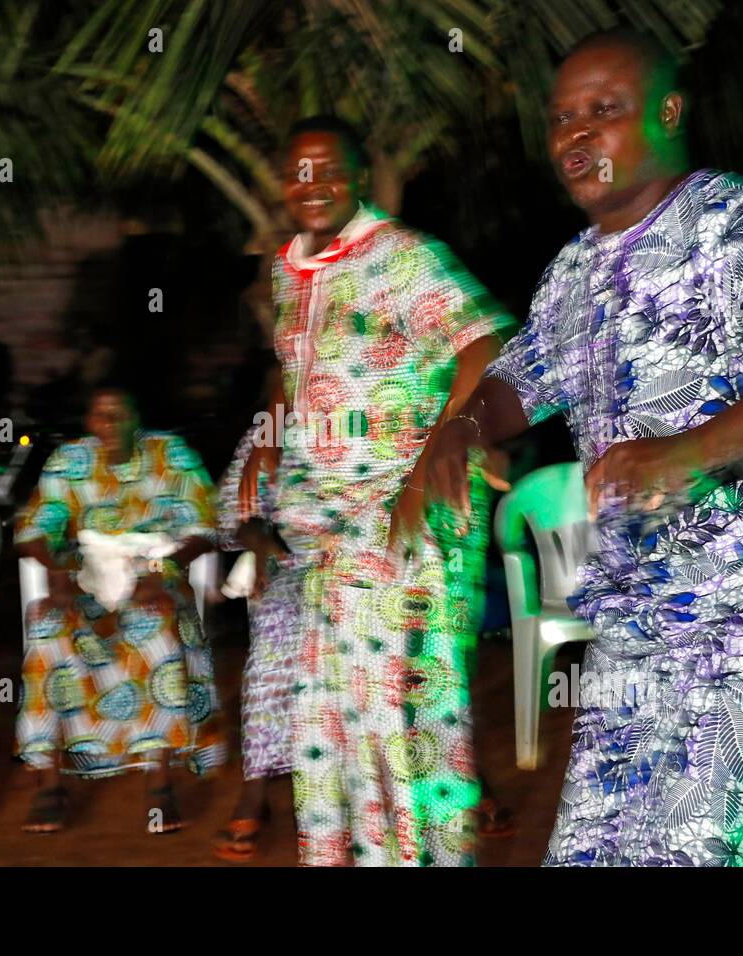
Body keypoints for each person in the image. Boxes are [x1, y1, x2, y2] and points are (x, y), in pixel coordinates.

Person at [422, 28, 743, 866]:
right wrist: (457, 430)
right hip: (639, 620)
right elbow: (519, 378)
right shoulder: (575, 270)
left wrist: (690, 450)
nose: (575, 134)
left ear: (667, 113)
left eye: (604, 109)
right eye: (562, 118)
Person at [240, 116, 516, 866]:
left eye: (328, 170)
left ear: (358, 177)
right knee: (334, 707)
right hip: (324, 520)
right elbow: (289, 370)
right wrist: (269, 435)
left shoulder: (404, 257)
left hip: (407, 504)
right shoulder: (287, 269)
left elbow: (488, 350)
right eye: (297, 173)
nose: (312, 186)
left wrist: (427, 464)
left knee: (403, 701)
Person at [15, 381, 223, 834]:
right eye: (99, 415)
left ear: (136, 419)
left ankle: (159, 783)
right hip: (84, 574)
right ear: (89, 422)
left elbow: (205, 527)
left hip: (154, 569)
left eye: (118, 414)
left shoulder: (170, 454)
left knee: (154, 626)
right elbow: (35, 527)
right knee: (48, 628)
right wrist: (54, 571)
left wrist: (160, 566)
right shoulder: (70, 461)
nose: (108, 424)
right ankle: (48, 785)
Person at [211, 422, 306, 861]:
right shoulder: (268, 432)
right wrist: (262, 540)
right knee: (273, 650)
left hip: (357, 562)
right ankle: (254, 793)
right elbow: (235, 519)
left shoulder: (369, 410)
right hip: (288, 565)